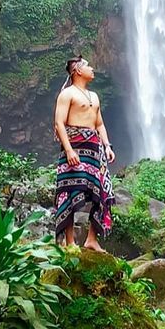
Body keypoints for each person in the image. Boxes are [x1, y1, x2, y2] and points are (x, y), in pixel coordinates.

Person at [53, 55, 115, 250]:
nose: (92, 69)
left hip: (94, 151)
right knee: (70, 191)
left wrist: (107, 146)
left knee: (100, 192)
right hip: (75, 148)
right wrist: (69, 150)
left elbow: (100, 124)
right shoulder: (67, 94)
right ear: (78, 70)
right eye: (88, 66)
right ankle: (70, 242)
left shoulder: (94, 96)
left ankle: (91, 239)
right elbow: (59, 123)